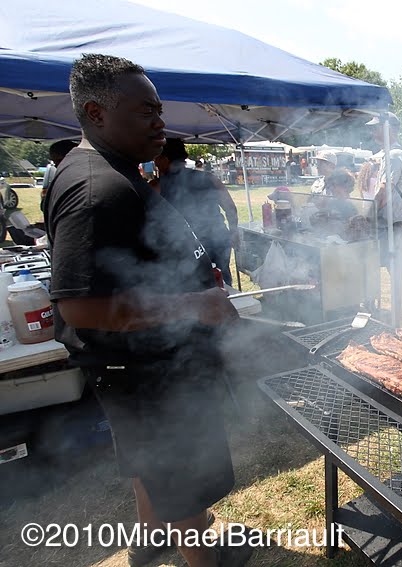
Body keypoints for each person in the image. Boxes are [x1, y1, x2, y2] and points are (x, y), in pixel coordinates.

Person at [43, 54, 251, 567]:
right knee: (180, 474)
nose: (161, 123)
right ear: (96, 112)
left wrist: (195, 273)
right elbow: (79, 305)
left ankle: (150, 538)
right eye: (145, 112)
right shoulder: (98, 188)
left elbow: (128, 262)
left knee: (151, 459)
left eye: (159, 111)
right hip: (144, 368)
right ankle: (205, 559)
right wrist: (196, 303)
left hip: (138, 363)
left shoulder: (111, 171)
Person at [155, 138, 240, 286]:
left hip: (186, 247)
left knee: (194, 286)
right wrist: (233, 232)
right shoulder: (210, 178)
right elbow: (230, 208)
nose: (155, 162)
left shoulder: (156, 187)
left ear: (165, 158)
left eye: (157, 158)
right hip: (218, 239)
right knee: (223, 281)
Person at [366, 112, 402, 323]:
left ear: (389, 129)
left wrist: (368, 214)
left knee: (396, 272)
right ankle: (389, 316)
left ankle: (397, 319)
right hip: (387, 224)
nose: (372, 132)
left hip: (392, 225)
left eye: (376, 128)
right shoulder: (389, 154)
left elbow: (384, 192)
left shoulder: (394, 155)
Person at [40, 139, 79, 213]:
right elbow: (45, 207)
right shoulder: (60, 178)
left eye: (59, 160)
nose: (57, 166)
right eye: (54, 162)